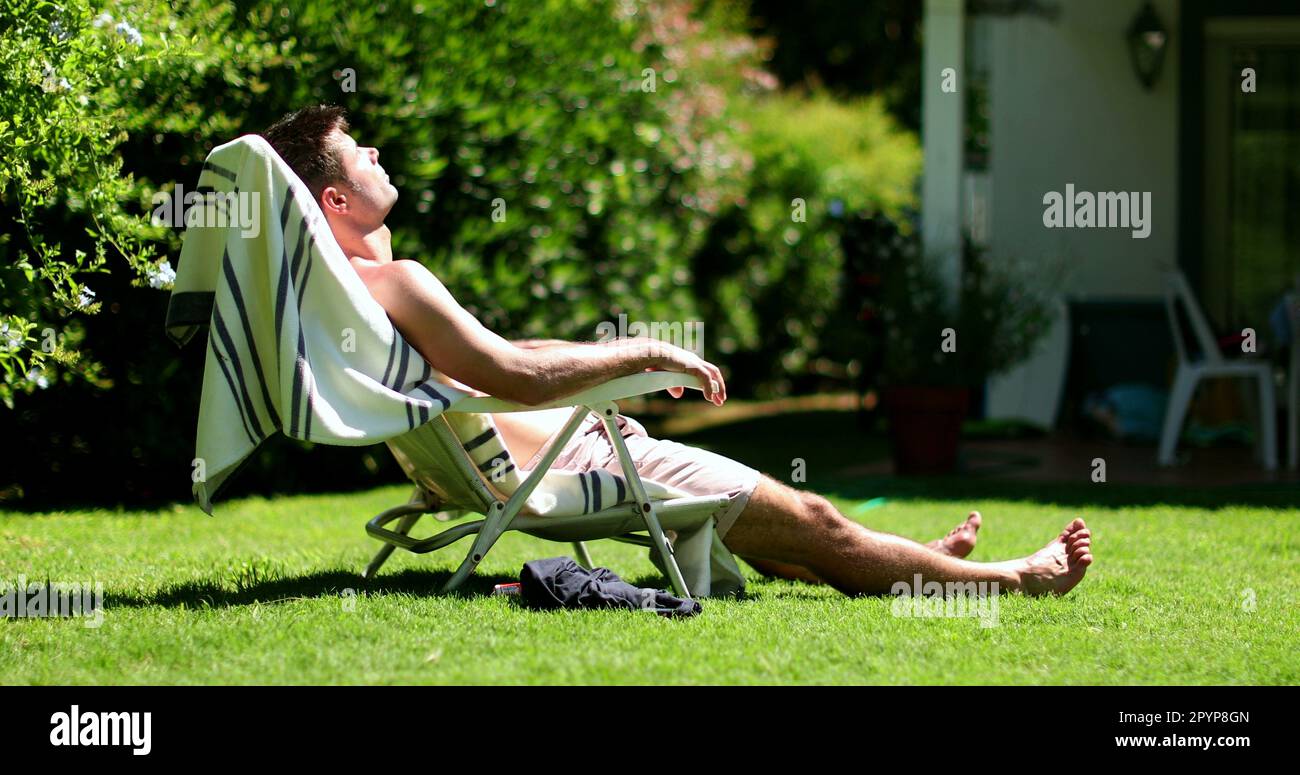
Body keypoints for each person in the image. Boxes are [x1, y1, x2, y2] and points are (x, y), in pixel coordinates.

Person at [262, 105, 1092, 596]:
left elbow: (499, 355)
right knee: (813, 517)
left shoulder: (358, 297)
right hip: (573, 465)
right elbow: (513, 375)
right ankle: (1018, 578)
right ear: (335, 196)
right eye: (357, 152)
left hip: (562, 450)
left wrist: (600, 360)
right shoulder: (397, 281)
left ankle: (908, 564)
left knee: (782, 533)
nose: (376, 153)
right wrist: (642, 353)